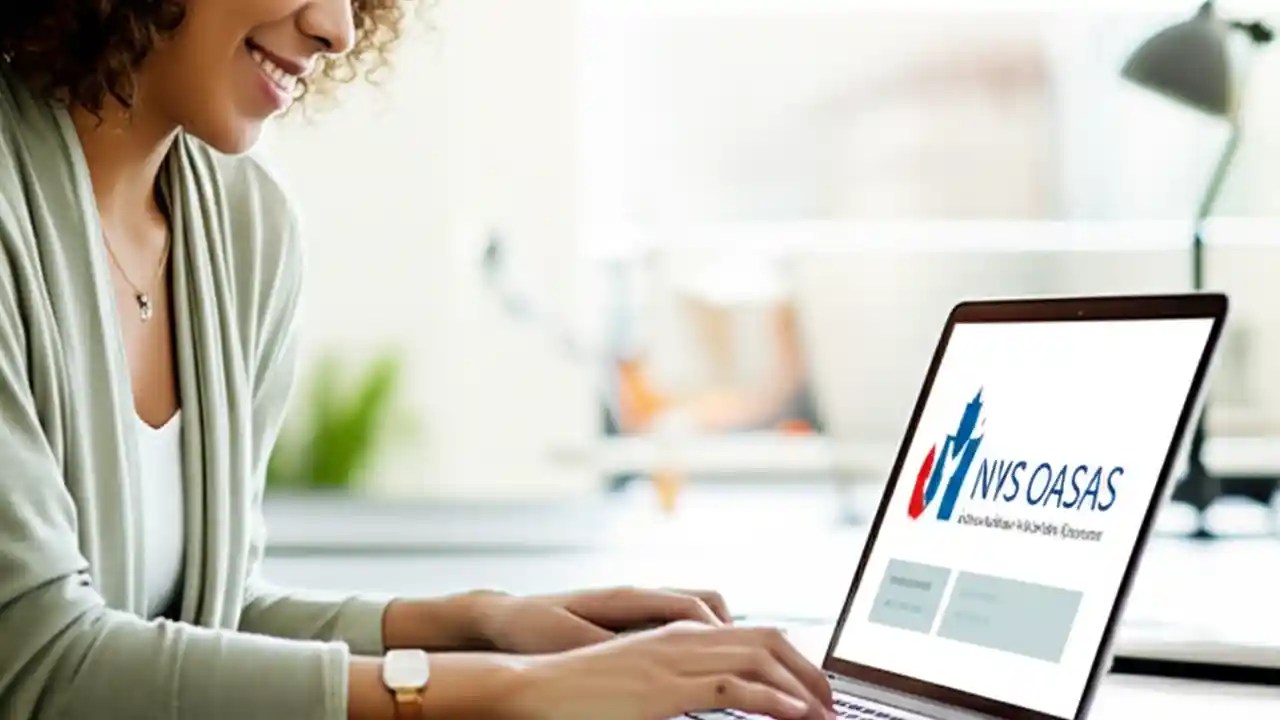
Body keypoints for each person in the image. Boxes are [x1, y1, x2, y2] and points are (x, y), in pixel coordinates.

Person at [0, 1, 835, 719]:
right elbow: (43, 662)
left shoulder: (244, 229)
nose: (337, 28)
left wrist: (481, 625)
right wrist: (512, 690)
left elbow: (197, 628)